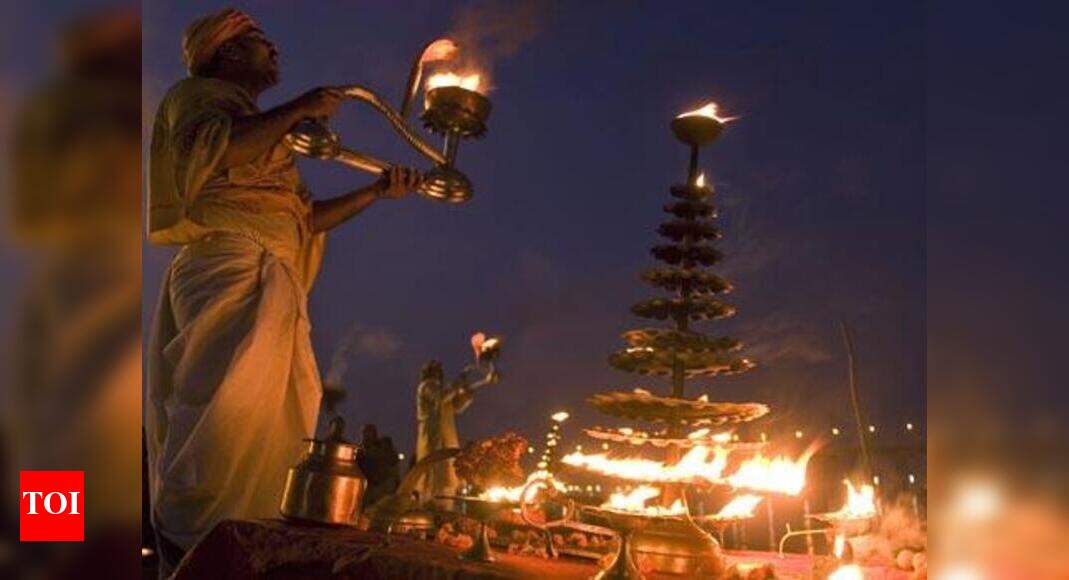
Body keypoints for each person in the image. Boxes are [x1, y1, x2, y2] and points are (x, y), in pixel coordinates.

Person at [144, 8, 422, 574]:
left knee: (278, 424)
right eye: (259, 43)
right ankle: (194, 550)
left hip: (270, 269)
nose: (275, 53)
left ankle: (240, 552)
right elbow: (215, 149)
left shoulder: (255, 125)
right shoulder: (199, 96)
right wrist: (299, 107)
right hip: (232, 263)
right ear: (225, 54)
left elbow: (301, 218)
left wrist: (374, 192)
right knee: (223, 416)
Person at [413, 358, 497, 503]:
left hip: (447, 438)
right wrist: (458, 383)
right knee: (432, 476)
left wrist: (468, 391)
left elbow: (457, 405)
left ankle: (444, 512)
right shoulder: (426, 386)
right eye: (435, 370)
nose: (438, 373)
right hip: (432, 438)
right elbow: (441, 397)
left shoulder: (442, 389)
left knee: (447, 476)